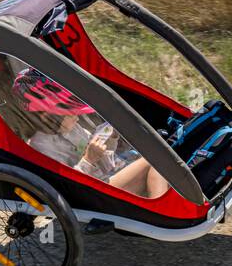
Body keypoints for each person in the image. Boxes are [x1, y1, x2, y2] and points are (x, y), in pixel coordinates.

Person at [11, 69, 169, 198]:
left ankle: (167, 205)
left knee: (158, 151)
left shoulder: (73, 128)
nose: (77, 117)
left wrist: (111, 139)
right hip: (92, 194)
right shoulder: (41, 147)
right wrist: (88, 159)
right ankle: (167, 218)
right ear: (46, 116)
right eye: (69, 112)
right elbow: (67, 188)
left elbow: (105, 162)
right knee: (158, 159)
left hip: (107, 178)